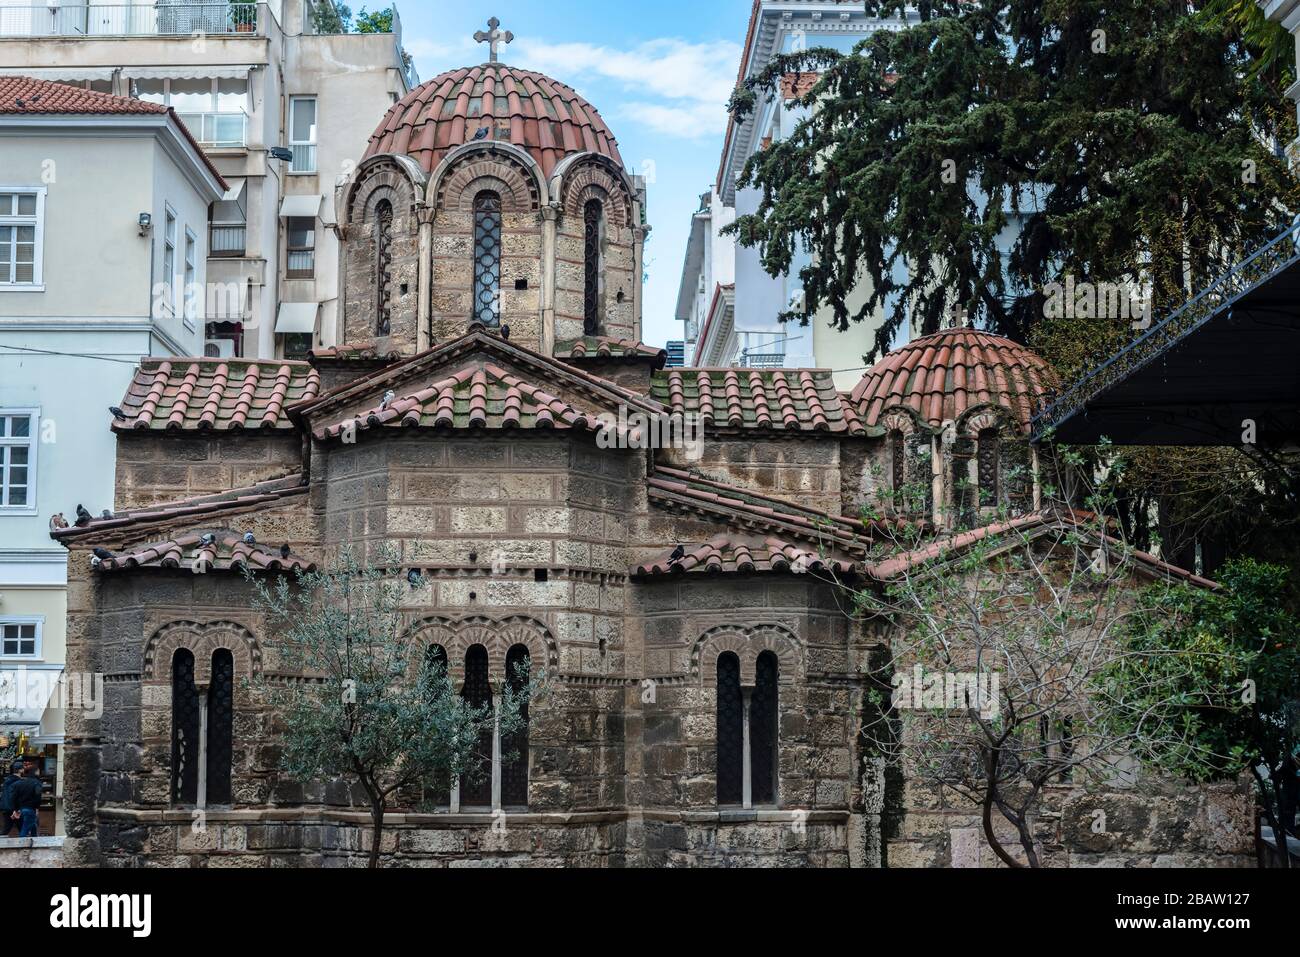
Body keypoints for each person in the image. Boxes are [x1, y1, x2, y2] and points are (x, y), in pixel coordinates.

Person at [11, 756, 42, 838]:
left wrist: (15, 809)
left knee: (33, 827)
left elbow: (14, 797)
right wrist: (37, 808)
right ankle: (20, 846)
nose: (39, 772)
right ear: (35, 772)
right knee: (24, 831)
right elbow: (38, 797)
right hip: (30, 810)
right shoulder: (37, 783)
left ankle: (35, 843)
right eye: (38, 771)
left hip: (22, 809)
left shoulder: (20, 783)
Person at [0, 760, 20, 837]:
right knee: (22, 828)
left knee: (6, 829)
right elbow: (14, 796)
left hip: (6, 808)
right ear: (20, 770)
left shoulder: (7, 781)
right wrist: (16, 809)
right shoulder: (17, 782)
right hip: (13, 809)